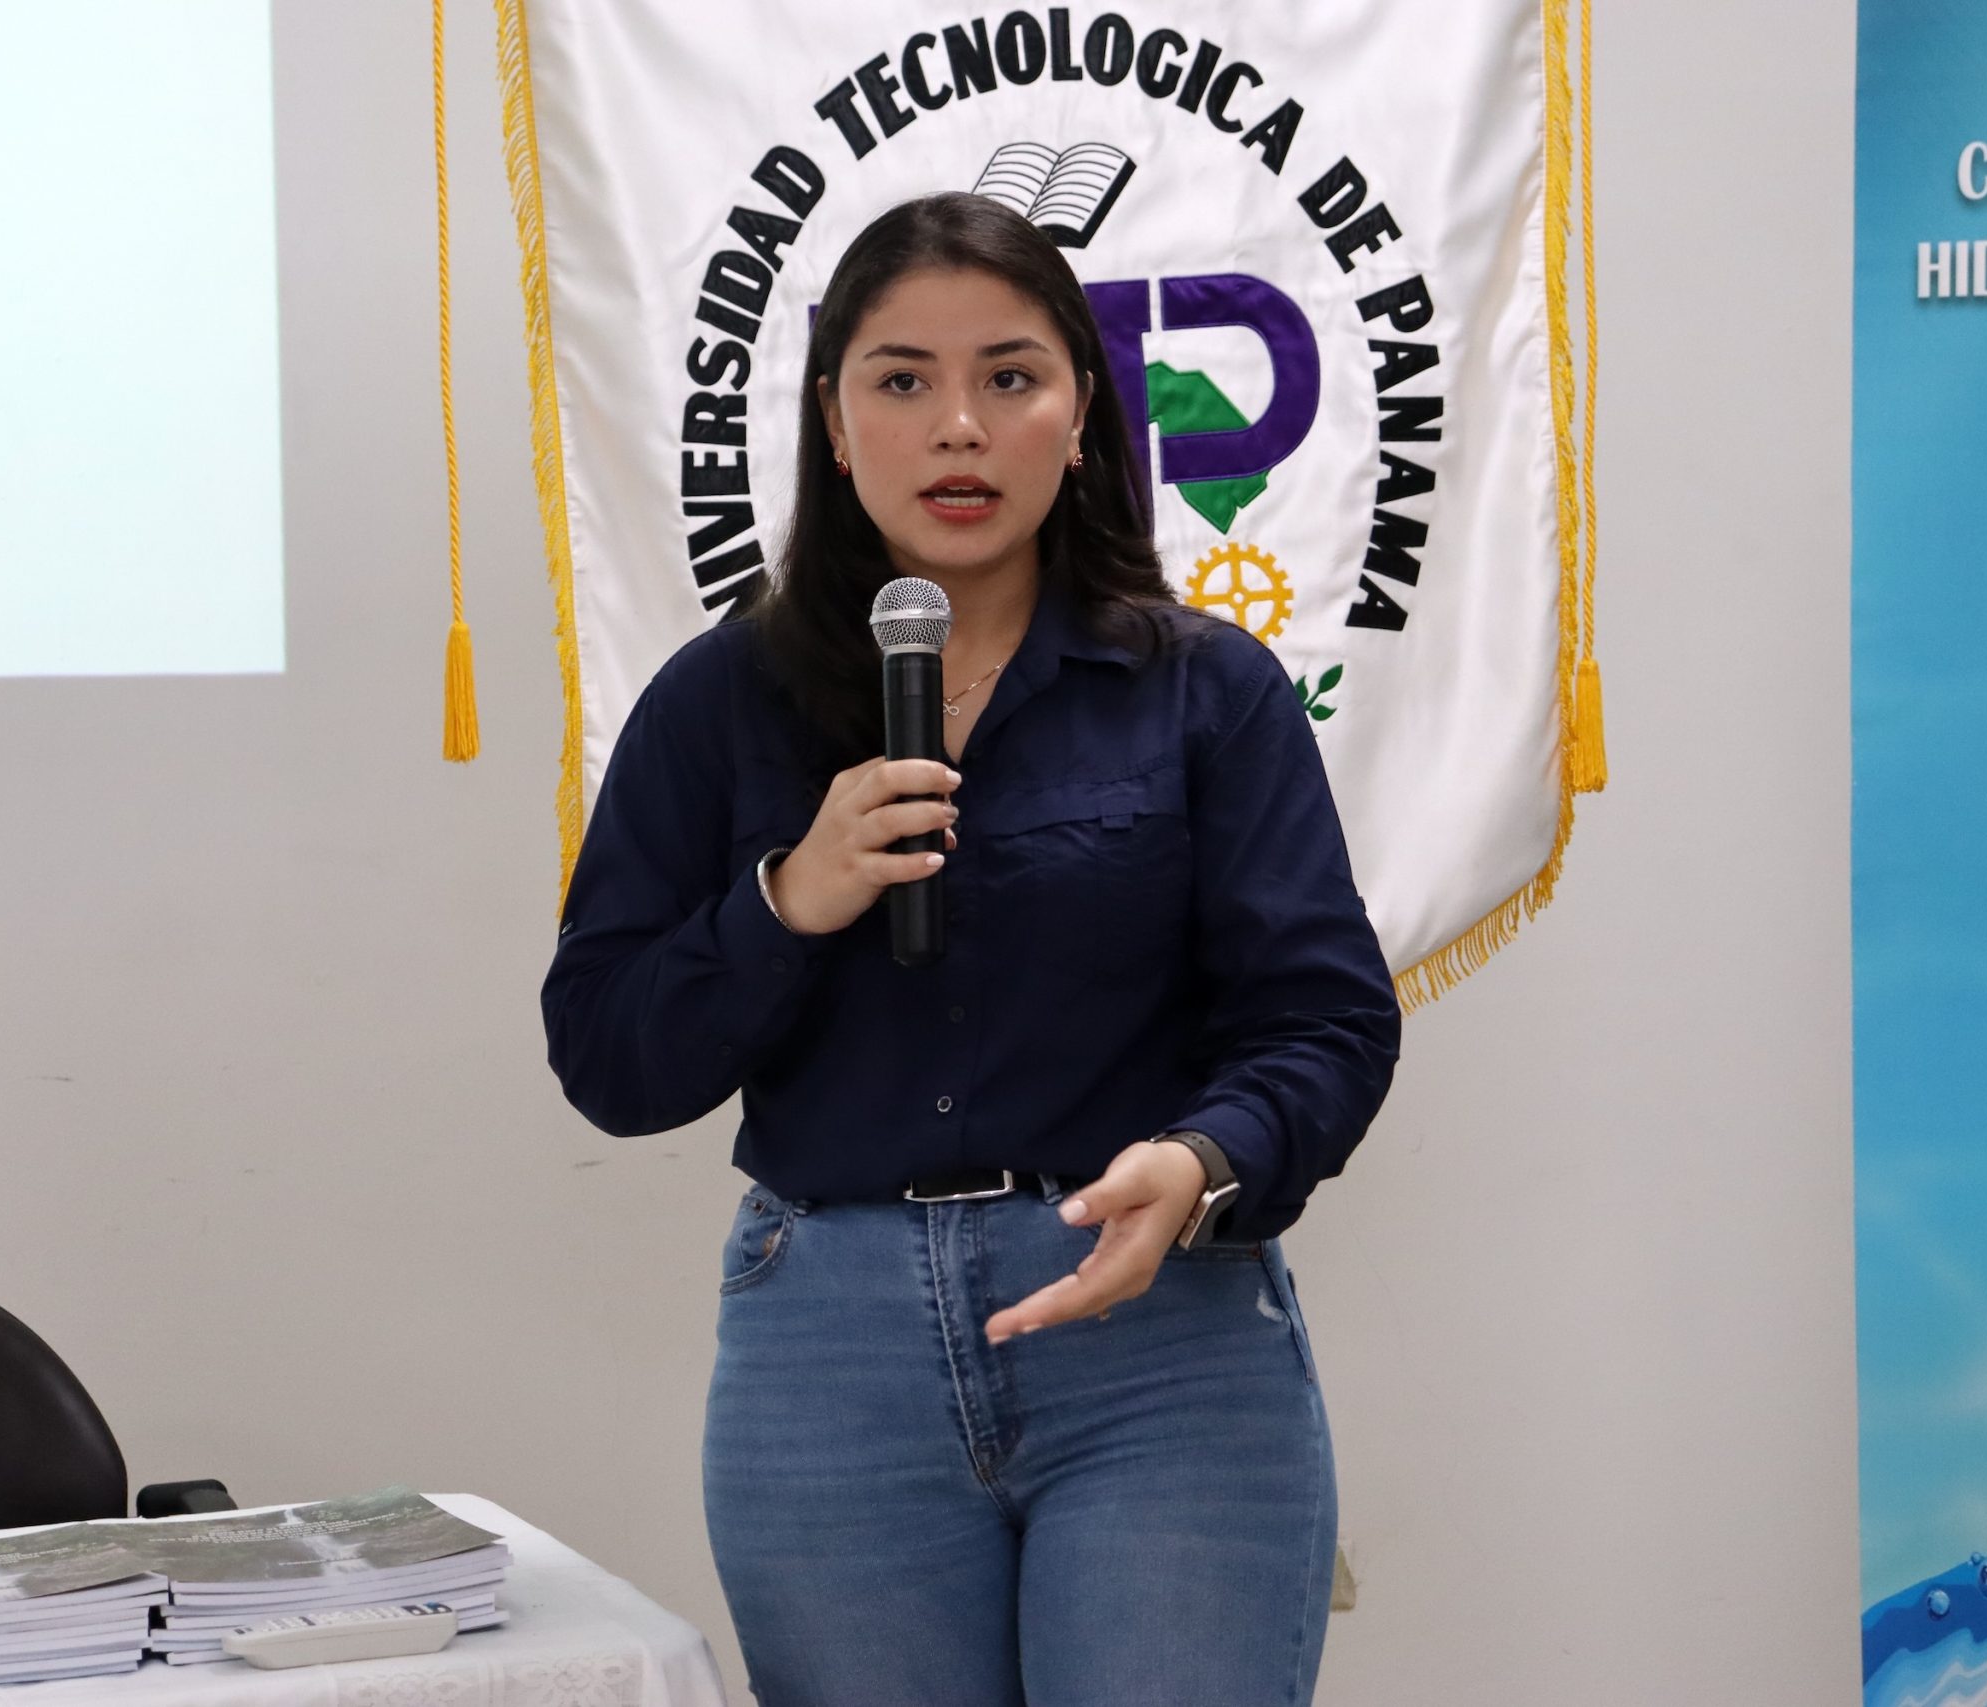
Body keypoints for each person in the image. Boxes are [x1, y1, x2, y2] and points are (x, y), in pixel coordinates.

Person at [542, 191, 1400, 1707]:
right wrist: (784, 901)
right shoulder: (719, 701)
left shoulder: (1205, 691)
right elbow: (607, 1056)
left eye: (1009, 377)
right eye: (902, 380)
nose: (957, 427)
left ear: (1079, 412)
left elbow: (1326, 1022)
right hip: (831, 1360)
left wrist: (1204, 1162)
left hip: (1151, 1330)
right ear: (833, 418)